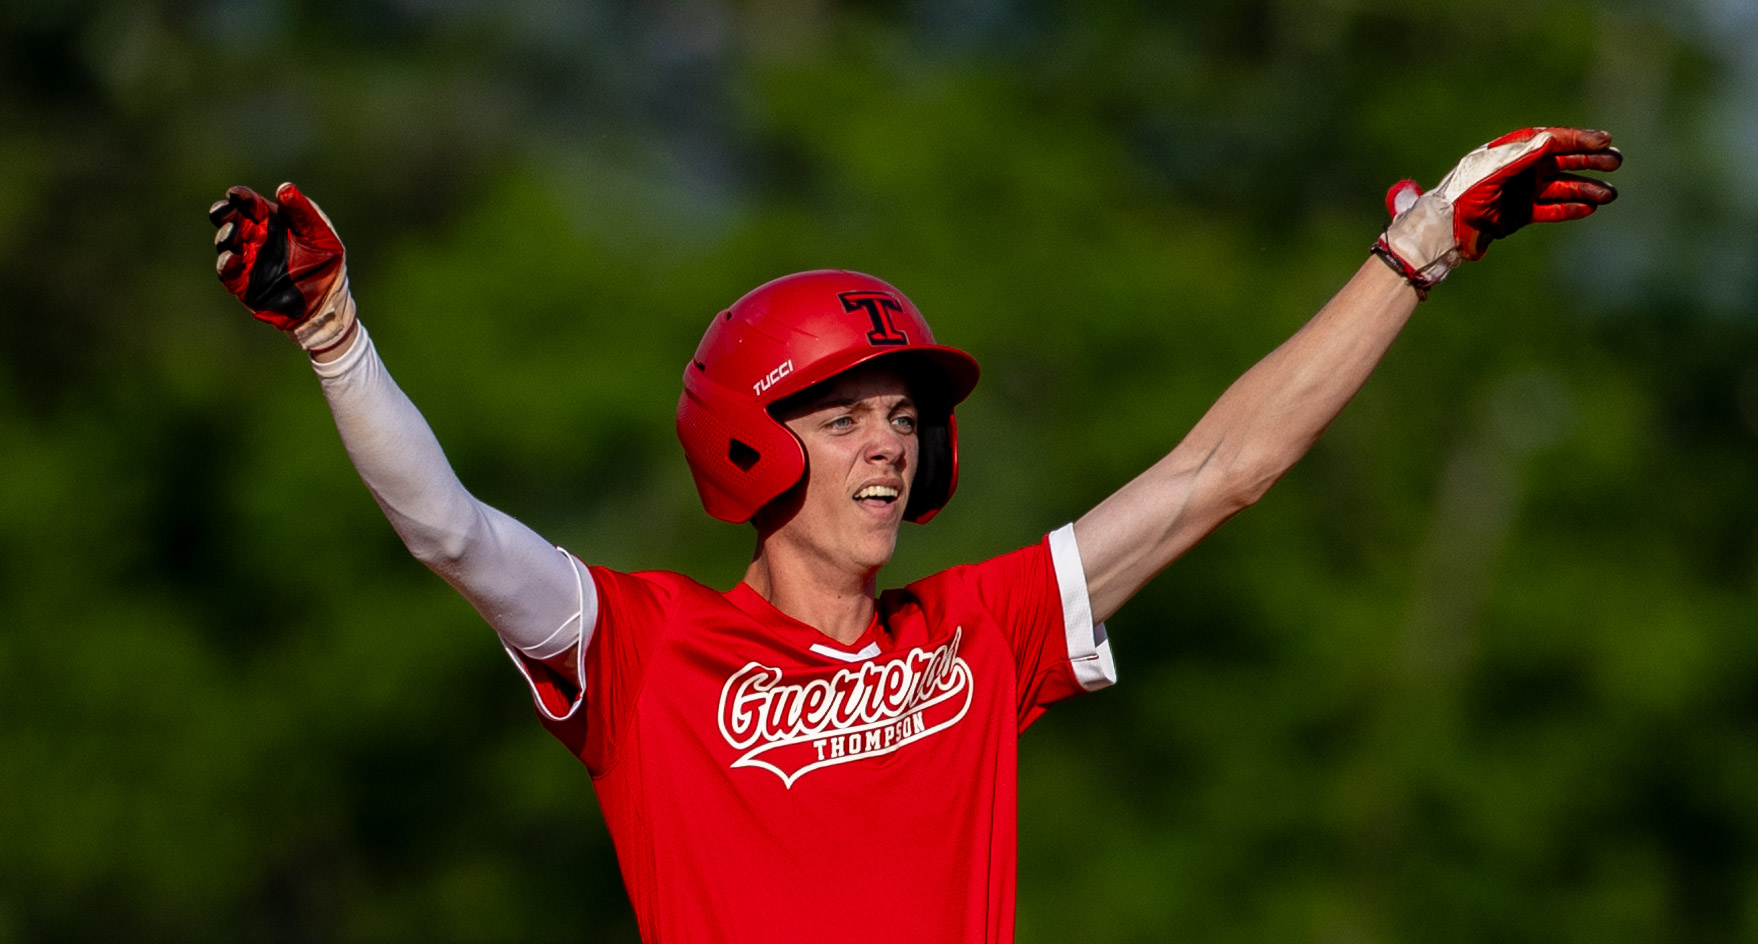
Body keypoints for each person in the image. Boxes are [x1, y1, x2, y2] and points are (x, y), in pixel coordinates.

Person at [208, 126, 1620, 943]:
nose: (887, 440)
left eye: (901, 414)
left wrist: (1415, 253)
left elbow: (1220, 471)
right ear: (749, 443)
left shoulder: (975, 634)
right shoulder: (644, 653)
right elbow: (448, 532)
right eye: (840, 416)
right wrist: (333, 337)